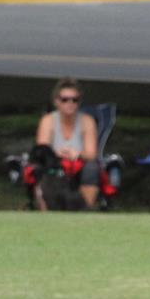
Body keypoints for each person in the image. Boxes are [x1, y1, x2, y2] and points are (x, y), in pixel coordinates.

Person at [34, 77, 98, 211]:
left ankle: (86, 210)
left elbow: (91, 153)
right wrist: (58, 154)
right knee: (39, 168)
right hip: (55, 164)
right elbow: (42, 149)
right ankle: (45, 208)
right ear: (56, 101)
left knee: (92, 168)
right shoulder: (48, 120)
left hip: (79, 164)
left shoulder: (87, 121)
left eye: (74, 100)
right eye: (65, 100)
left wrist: (77, 154)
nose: (70, 103)